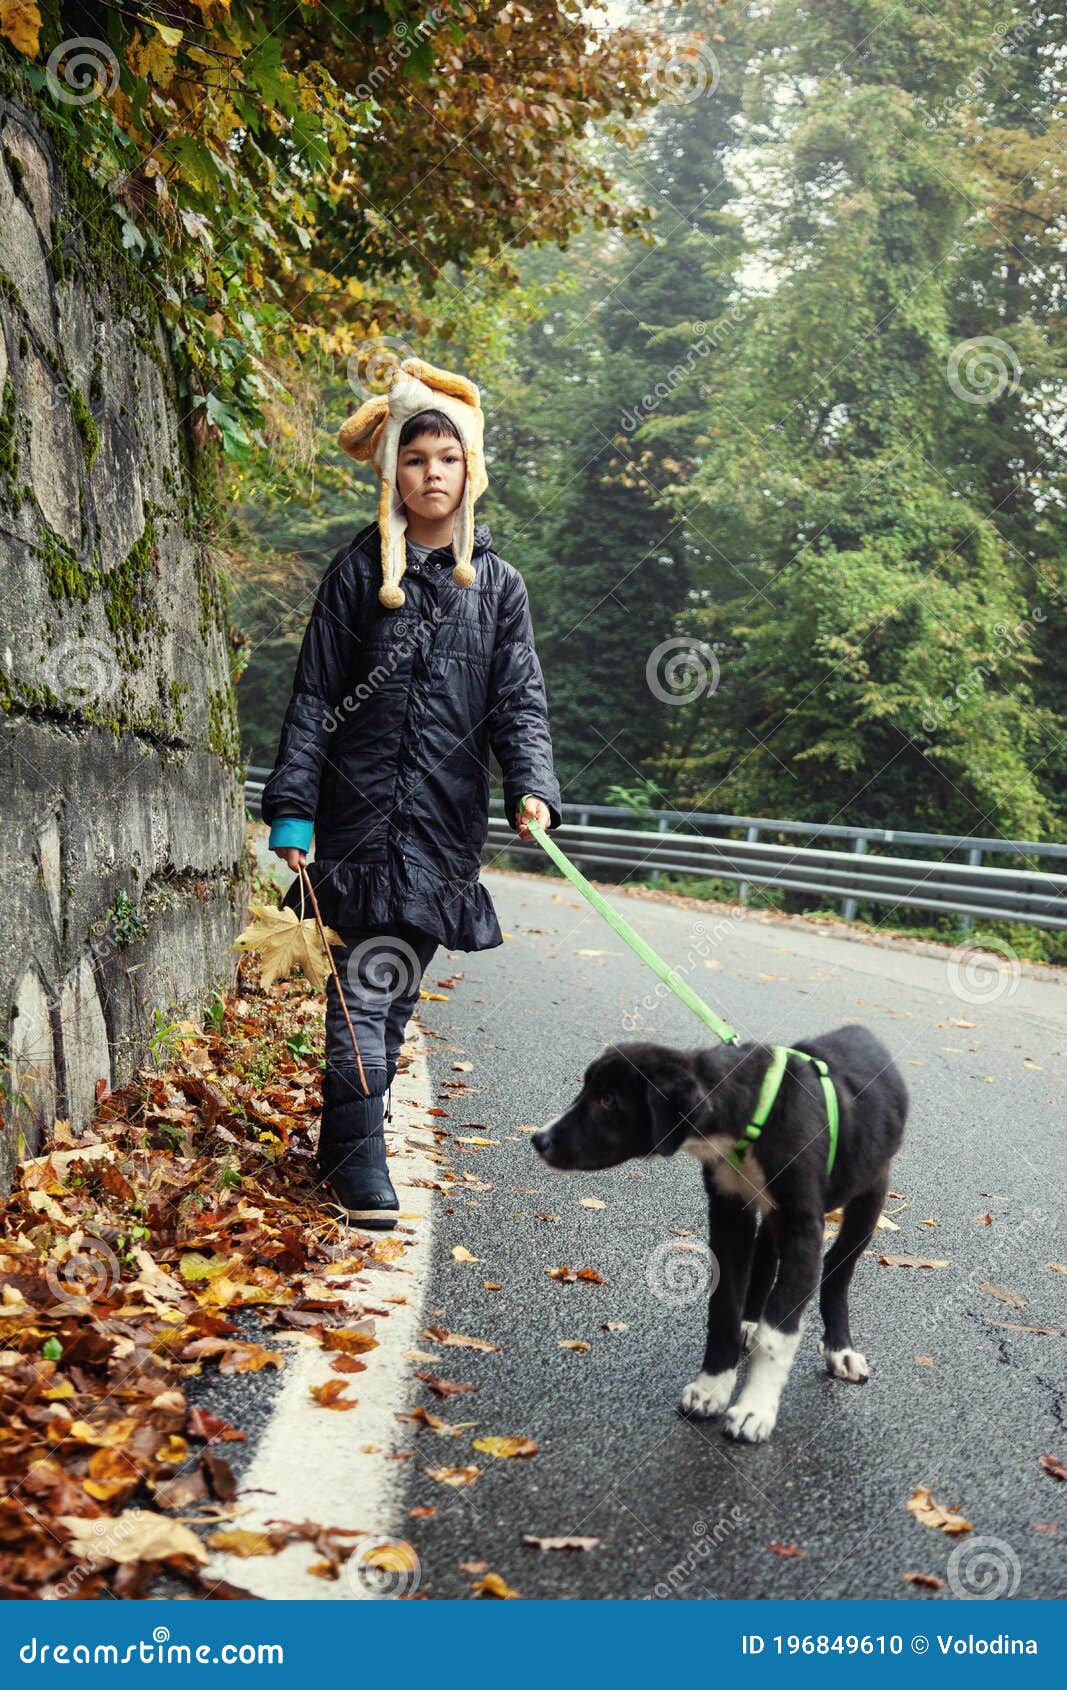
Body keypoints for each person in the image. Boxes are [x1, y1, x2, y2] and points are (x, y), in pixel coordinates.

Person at [260, 357, 562, 1230]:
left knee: (391, 991)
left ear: (472, 472)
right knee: (363, 985)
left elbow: (519, 701)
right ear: (392, 470)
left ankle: (347, 1139)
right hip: (357, 818)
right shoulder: (358, 573)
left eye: (448, 459)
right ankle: (359, 1162)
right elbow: (315, 694)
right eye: (417, 457)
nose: (433, 473)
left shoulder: (498, 588)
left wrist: (530, 787)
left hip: (443, 826)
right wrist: (293, 807)